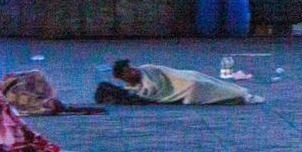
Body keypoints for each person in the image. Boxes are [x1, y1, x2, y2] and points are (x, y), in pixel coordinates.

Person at [101, 59, 263, 105]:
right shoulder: (131, 87)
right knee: (194, 92)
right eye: (128, 72)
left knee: (202, 83)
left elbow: (156, 85)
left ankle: (238, 93)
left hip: (182, 79)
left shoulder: (147, 68)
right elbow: (151, 92)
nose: (133, 71)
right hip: (181, 90)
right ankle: (232, 98)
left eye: (131, 68)